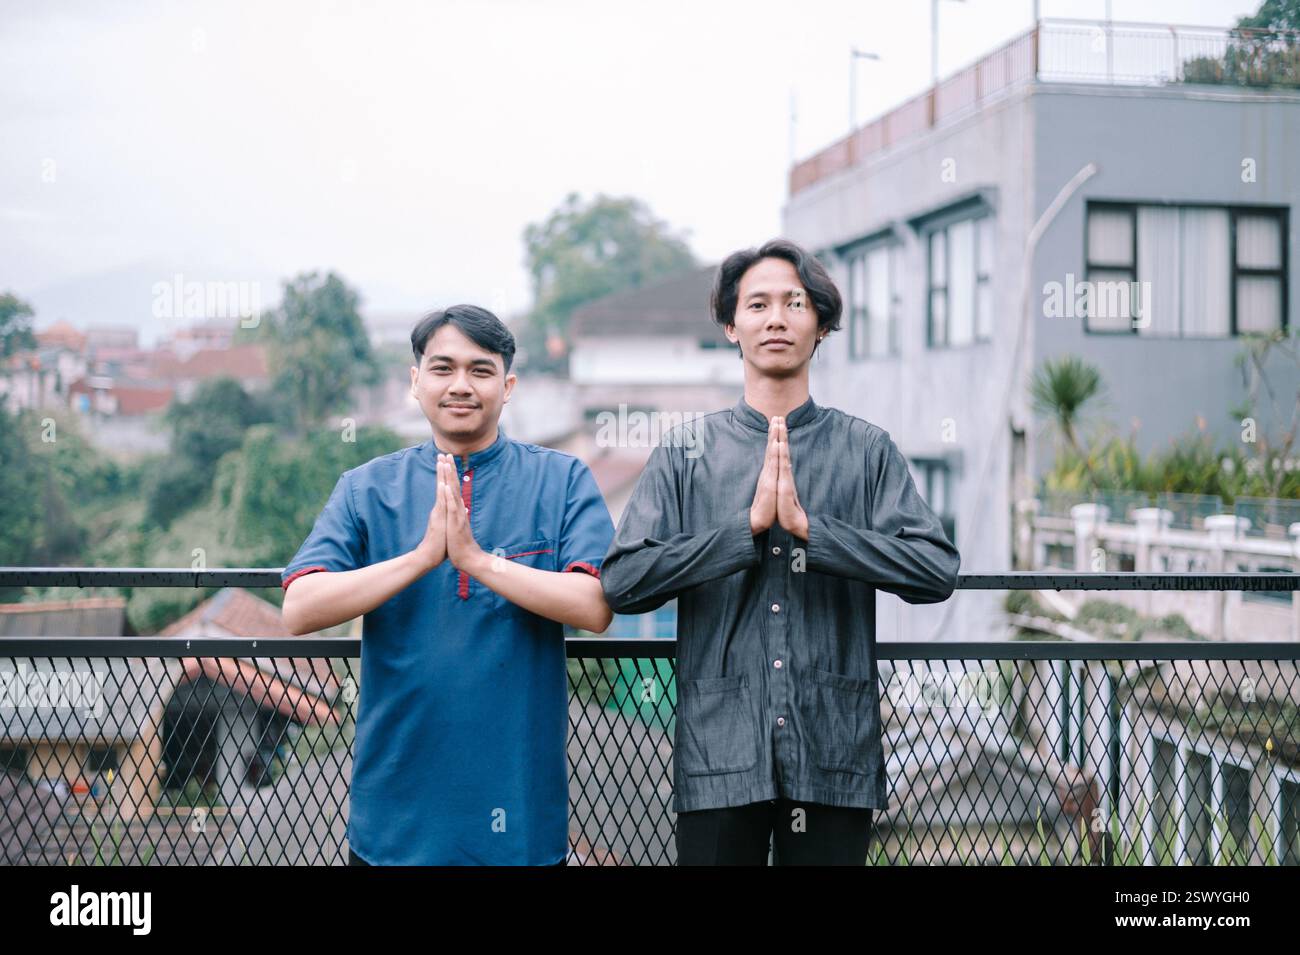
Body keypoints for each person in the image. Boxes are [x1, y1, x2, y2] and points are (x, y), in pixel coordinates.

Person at [600, 239, 961, 865]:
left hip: (832, 751)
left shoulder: (867, 449)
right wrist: (742, 533)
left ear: (820, 324)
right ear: (730, 326)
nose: (775, 319)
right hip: (719, 755)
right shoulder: (687, 451)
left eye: (794, 304)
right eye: (757, 304)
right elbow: (624, 580)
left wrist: (812, 533)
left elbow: (935, 569)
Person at [281, 304, 615, 865]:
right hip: (394, 820)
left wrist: (478, 562)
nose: (461, 385)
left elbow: (596, 608)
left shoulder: (561, 480)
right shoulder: (367, 489)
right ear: (416, 383)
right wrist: (419, 558)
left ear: (507, 387)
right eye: (443, 368)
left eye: (481, 371)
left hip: (521, 819)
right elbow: (299, 609)